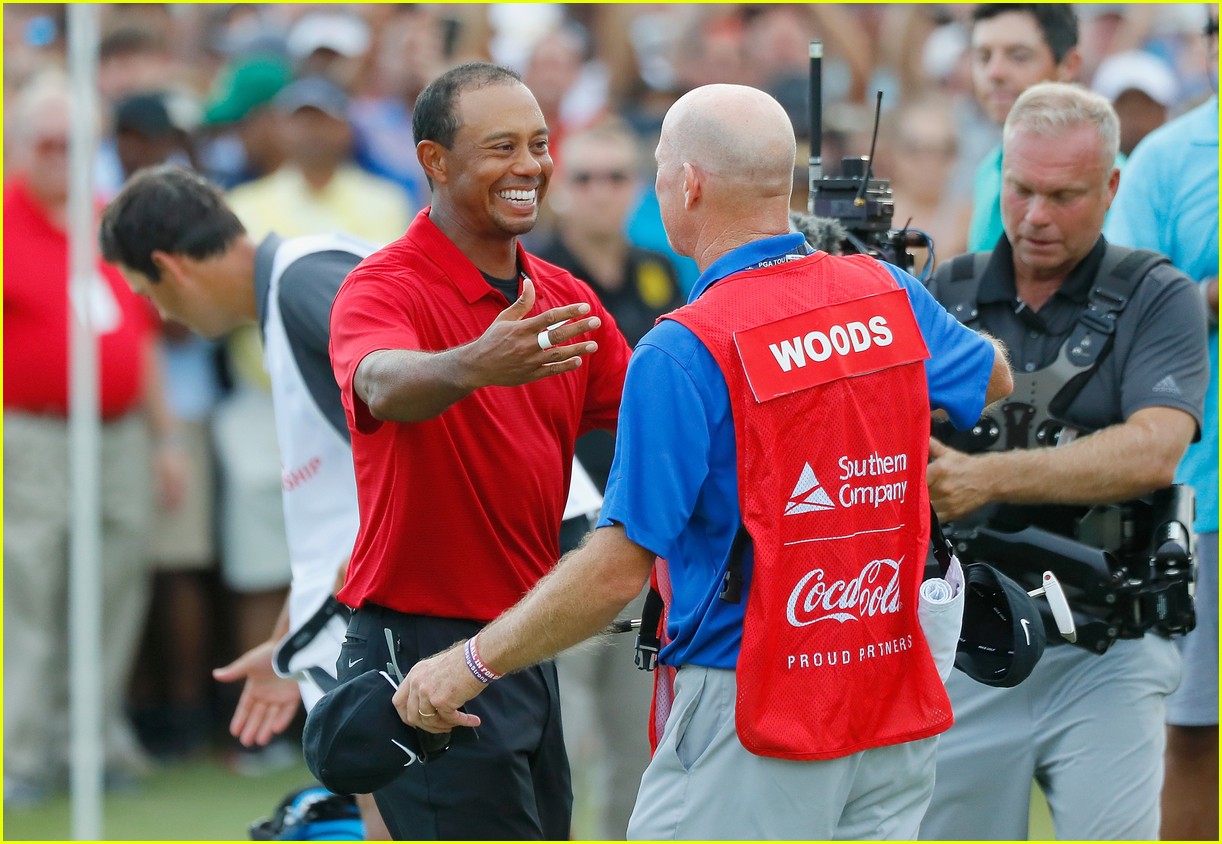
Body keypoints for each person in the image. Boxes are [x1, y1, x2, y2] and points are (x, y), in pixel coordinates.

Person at [399, 82, 1011, 840]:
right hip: (888, 688)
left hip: (755, 706)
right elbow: (991, 380)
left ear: (687, 184)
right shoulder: (884, 290)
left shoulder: (685, 346)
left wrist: (470, 663)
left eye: (658, 166)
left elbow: (616, 570)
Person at [326, 62, 632, 840]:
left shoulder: (564, 296)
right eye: (502, 147)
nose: (530, 165)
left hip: (521, 642)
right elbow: (381, 383)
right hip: (423, 645)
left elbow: (648, 419)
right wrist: (476, 364)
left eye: (537, 143)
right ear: (435, 161)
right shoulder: (382, 285)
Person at [917, 82, 1209, 840]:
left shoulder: (1159, 294)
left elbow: (1155, 448)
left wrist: (981, 477)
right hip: (969, 641)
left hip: (1108, 644)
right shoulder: (941, 293)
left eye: (1065, 195)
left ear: (1112, 187)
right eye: (1021, 189)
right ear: (1000, 174)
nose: (1037, 215)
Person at [98, 163, 390, 838]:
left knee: (394, 814)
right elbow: (343, 501)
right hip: (380, 617)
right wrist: (293, 638)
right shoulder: (292, 288)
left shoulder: (305, 284)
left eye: (148, 292)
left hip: (413, 617)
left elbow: (428, 427)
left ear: (171, 268)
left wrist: (333, 618)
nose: (162, 313)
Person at [3, 72, 184, 807]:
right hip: (35, 435)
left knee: (114, 587)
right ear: (19, 145)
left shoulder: (107, 221)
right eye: (46, 140)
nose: (60, 153)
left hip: (116, 436)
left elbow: (139, 336)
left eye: (74, 141)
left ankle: (95, 738)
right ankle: (25, 750)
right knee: (32, 590)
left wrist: (166, 438)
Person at [532, 117, 682, 840]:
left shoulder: (657, 270)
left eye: (617, 176)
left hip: (640, 524)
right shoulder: (533, 275)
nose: (600, 192)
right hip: (553, 526)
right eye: (585, 177)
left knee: (636, 735)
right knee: (553, 727)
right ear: (559, 188)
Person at [1103, 16, 1218, 838]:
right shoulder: (1170, 158)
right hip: (1204, 497)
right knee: (1194, 733)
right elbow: (1124, 321)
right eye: (1213, 26)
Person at [966, 4, 1082, 252]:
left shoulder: (1105, 177)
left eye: (1019, 56)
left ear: (1069, 65)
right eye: (983, 57)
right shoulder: (989, 170)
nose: (994, 72)